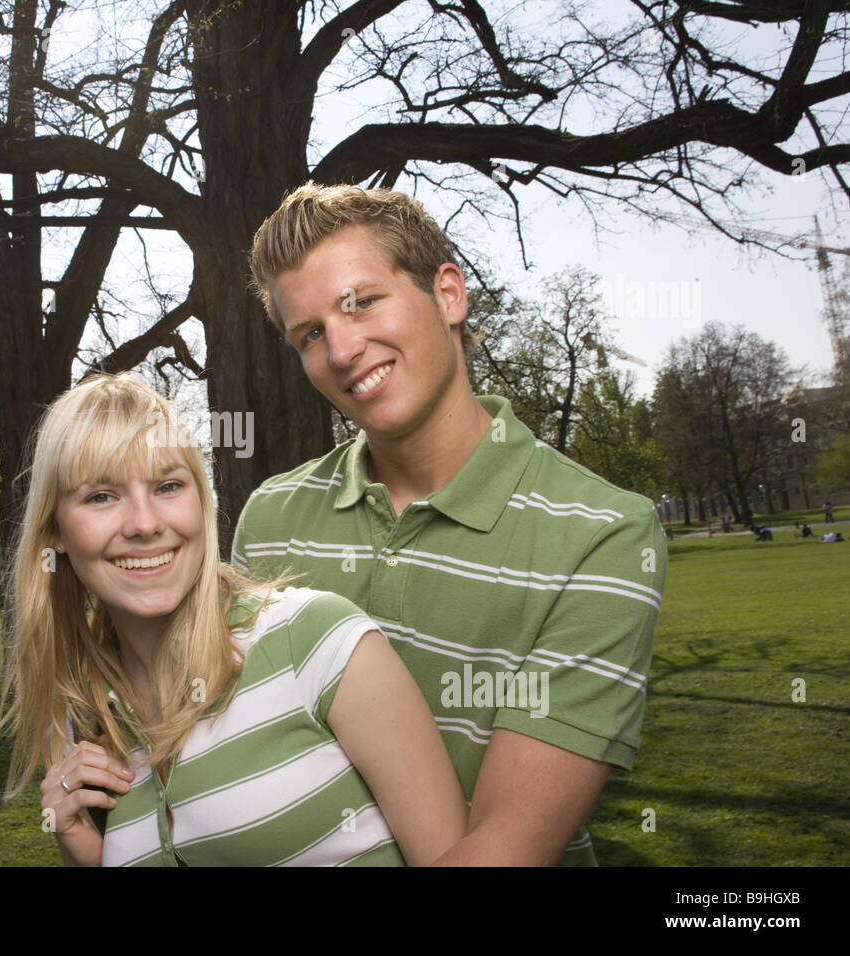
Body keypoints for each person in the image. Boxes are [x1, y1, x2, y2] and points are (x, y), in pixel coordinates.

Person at [235, 182, 667, 866]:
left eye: (362, 302)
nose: (342, 351)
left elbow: (503, 851)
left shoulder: (606, 535)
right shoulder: (270, 518)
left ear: (448, 294)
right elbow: (229, 763)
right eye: (310, 335)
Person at [0, 374, 467, 866]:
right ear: (57, 534)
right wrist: (87, 854)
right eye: (101, 497)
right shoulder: (90, 718)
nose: (145, 523)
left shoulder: (316, 640)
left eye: (168, 486)